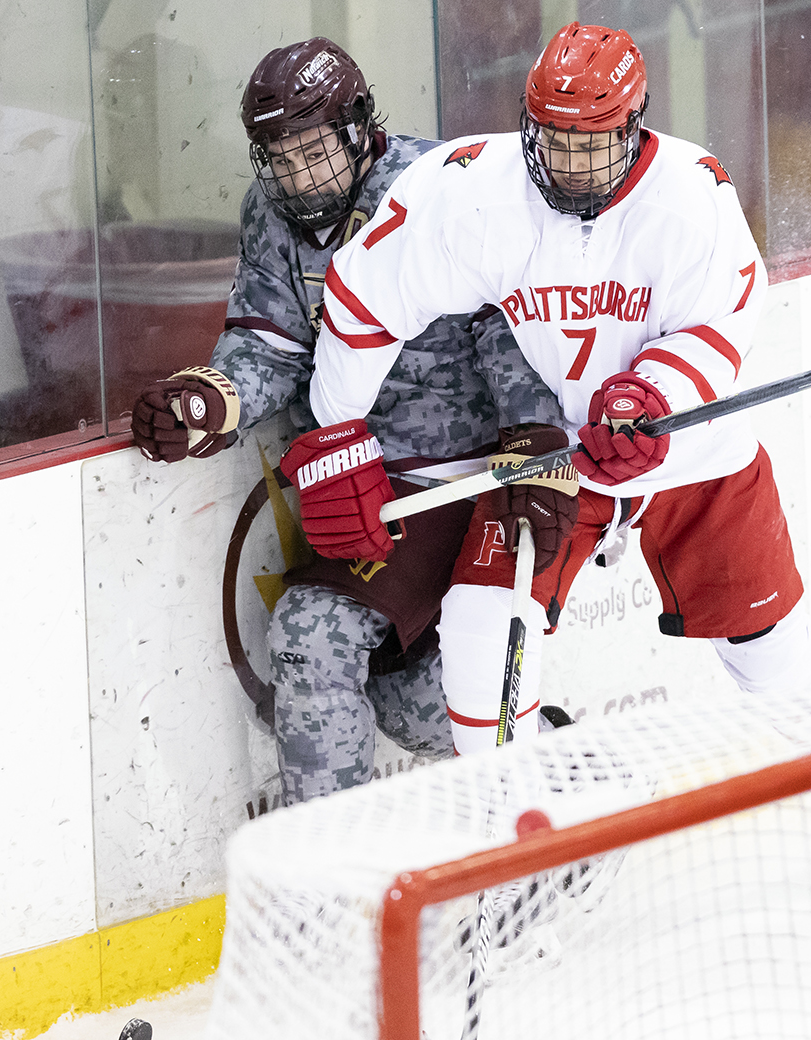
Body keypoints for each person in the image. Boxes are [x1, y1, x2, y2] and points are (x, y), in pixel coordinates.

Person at [281, 22, 811, 875]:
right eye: (554, 141)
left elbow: (723, 325)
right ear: (528, 126)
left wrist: (654, 396)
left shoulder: (691, 194)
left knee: (771, 649)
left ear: (635, 126)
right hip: (559, 454)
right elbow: (364, 298)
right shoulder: (471, 191)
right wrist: (339, 430)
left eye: (593, 144)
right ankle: (515, 842)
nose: (570, 163)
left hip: (690, 448)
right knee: (482, 622)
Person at [129, 37, 562, 804]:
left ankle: (328, 878)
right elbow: (269, 340)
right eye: (281, 161)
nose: (300, 181)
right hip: (354, 482)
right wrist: (209, 401)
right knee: (414, 704)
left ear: (360, 125)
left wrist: (536, 443)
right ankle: (555, 773)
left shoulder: (443, 186)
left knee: (326, 643)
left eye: (314, 153)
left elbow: (512, 318)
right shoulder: (270, 214)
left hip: (464, 481)